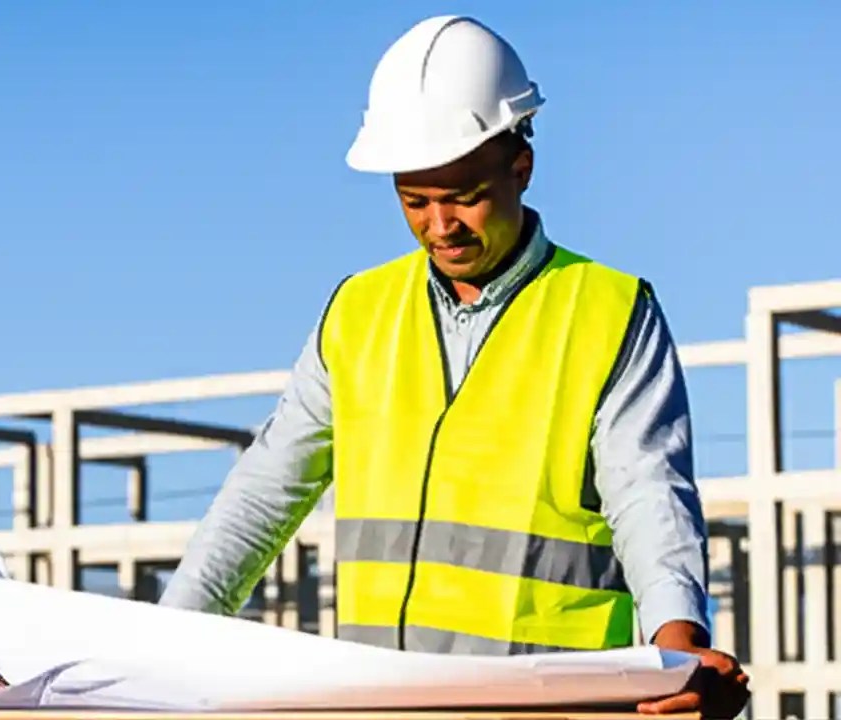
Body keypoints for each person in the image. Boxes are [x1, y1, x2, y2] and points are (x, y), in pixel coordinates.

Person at [158, 14, 749, 718]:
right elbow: (261, 497)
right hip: (387, 707)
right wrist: (160, 646)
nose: (441, 226)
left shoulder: (609, 309)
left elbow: (650, 497)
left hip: (554, 709)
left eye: (464, 196)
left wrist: (676, 655)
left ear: (520, 166)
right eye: (416, 201)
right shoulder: (358, 312)